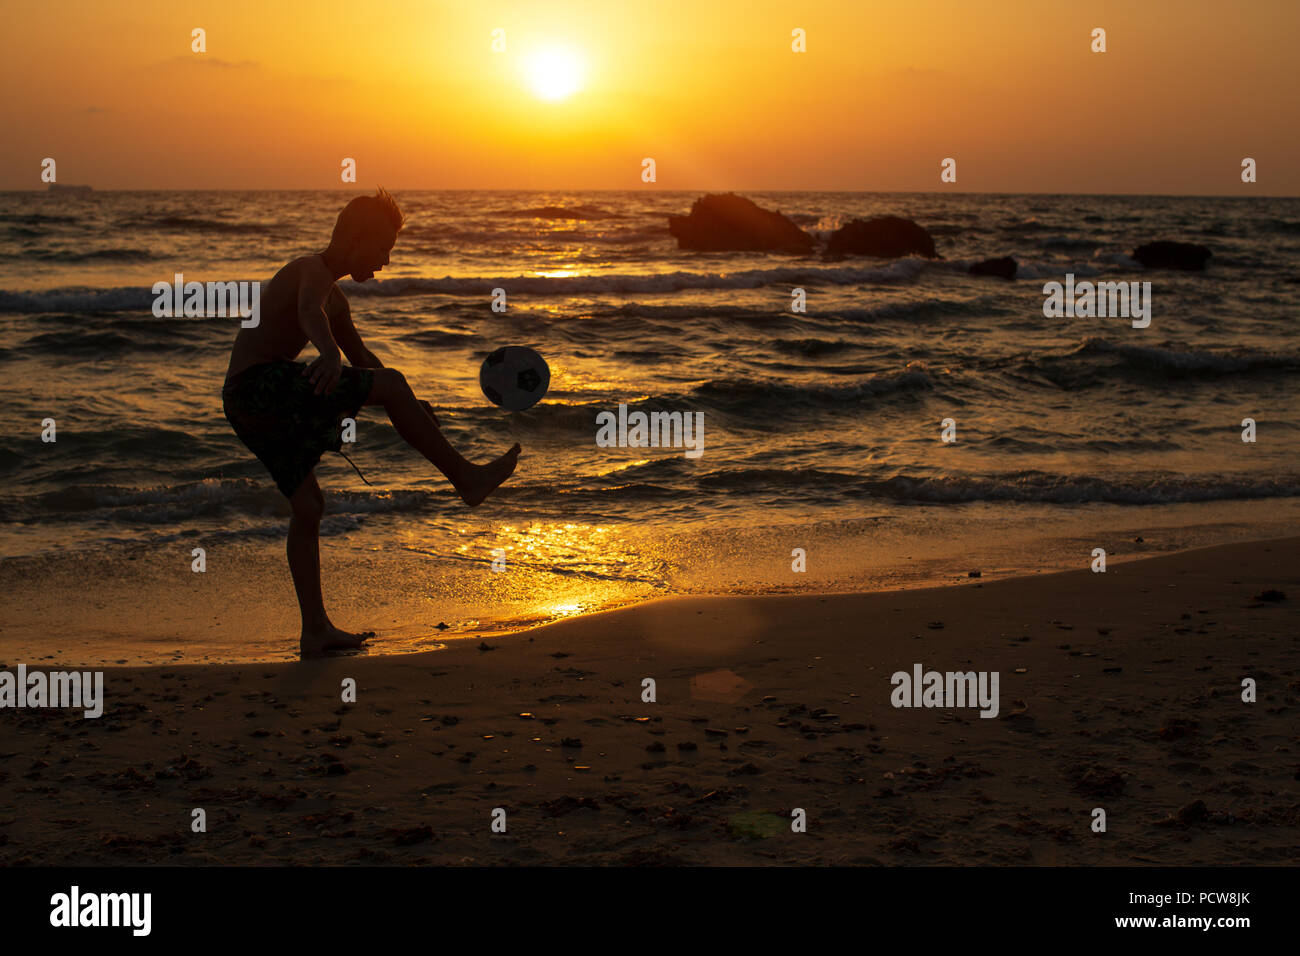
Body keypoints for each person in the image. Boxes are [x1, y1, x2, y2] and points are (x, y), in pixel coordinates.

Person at [221, 188, 520, 658]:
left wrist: (410, 402)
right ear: (355, 237)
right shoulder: (310, 271)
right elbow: (307, 312)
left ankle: (315, 631)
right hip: (258, 387)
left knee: (308, 507)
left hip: (246, 404)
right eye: (382, 248)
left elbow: (364, 361)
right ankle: (466, 478)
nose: (384, 261)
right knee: (388, 385)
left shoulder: (335, 299)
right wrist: (328, 353)